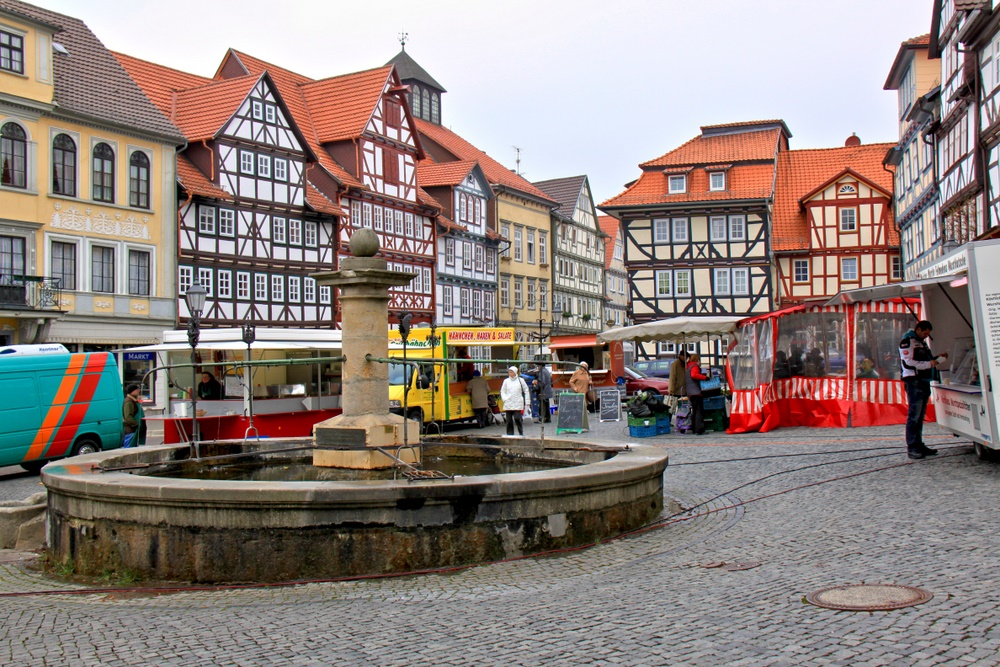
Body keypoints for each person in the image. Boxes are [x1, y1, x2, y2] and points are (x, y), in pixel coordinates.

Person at [900, 320, 947, 459]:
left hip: (923, 380)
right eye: (925, 333)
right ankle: (912, 447)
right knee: (914, 416)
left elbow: (924, 359)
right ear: (919, 329)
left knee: (920, 416)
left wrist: (937, 358)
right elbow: (907, 362)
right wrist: (929, 364)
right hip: (914, 381)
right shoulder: (908, 341)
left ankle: (919, 444)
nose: (926, 336)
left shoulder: (921, 342)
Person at [500, 366, 531, 436]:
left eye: (511, 372)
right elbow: (503, 391)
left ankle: (521, 432)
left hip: (517, 403)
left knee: (517, 418)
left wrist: (527, 401)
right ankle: (510, 434)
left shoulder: (521, 380)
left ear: (515, 372)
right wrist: (504, 398)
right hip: (508, 403)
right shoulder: (506, 381)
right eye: (509, 372)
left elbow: (526, 390)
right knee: (509, 421)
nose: (510, 373)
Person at [685, 353, 709, 435]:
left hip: (690, 392)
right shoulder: (694, 366)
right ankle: (699, 429)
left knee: (694, 411)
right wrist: (705, 377)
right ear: (697, 360)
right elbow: (694, 375)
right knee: (699, 411)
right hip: (696, 392)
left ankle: (694, 428)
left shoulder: (688, 367)